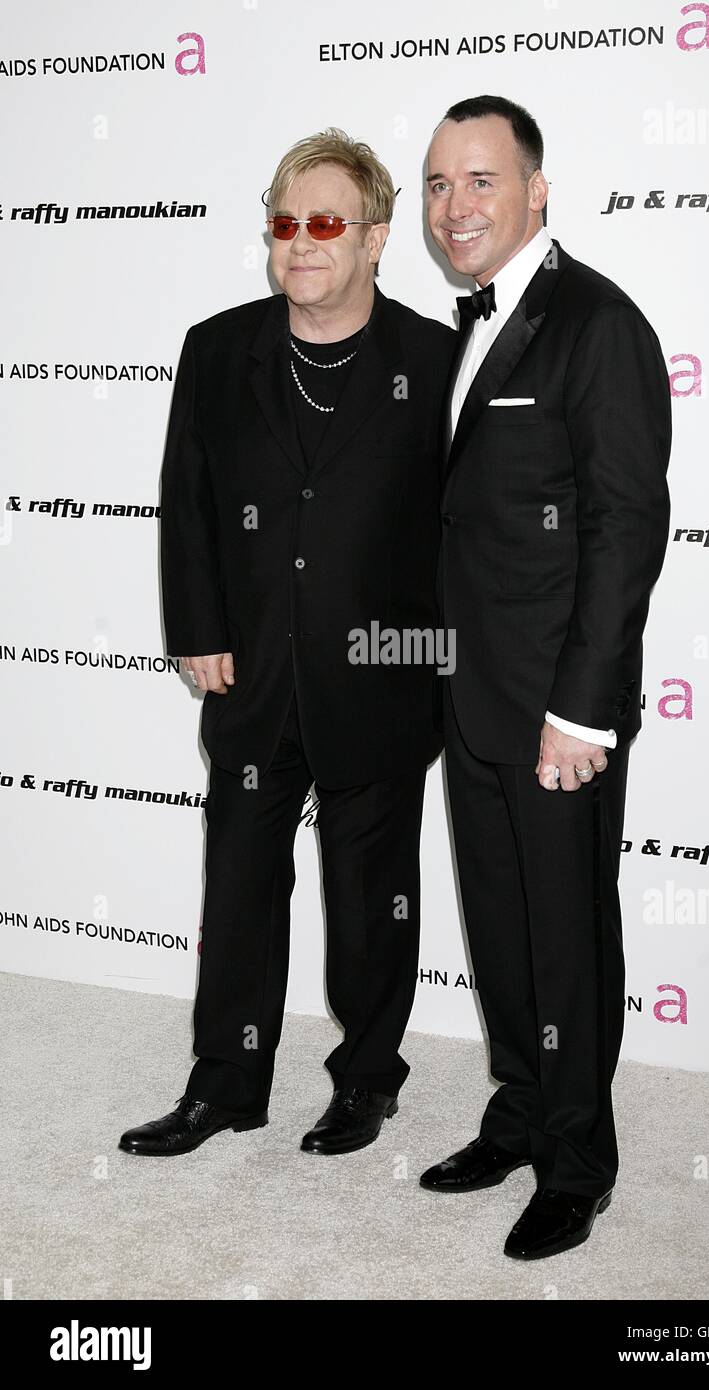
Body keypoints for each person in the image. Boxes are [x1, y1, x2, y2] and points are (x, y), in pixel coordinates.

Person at [119, 129, 454, 1159]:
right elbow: (187, 503)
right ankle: (227, 1082)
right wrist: (199, 629)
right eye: (282, 221)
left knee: (371, 903)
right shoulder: (217, 349)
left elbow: (460, 533)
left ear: (375, 238)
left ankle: (366, 1081)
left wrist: (434, 659)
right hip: (253, 667)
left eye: (324, 223)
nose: (299, 243)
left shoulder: (435, 362)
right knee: (240, 887)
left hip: (381, 676)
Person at [420, 96, 671, 1258]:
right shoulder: (463, 326)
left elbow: (624, 528)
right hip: (471, 698)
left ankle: (576, 1161)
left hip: (556, 711)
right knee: (503, 931)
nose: (453, 206)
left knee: (565, 937)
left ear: (534, 190)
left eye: (478, 180)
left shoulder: (596, 322)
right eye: (435, 184)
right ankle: (518, 1111)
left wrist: (582, 709)